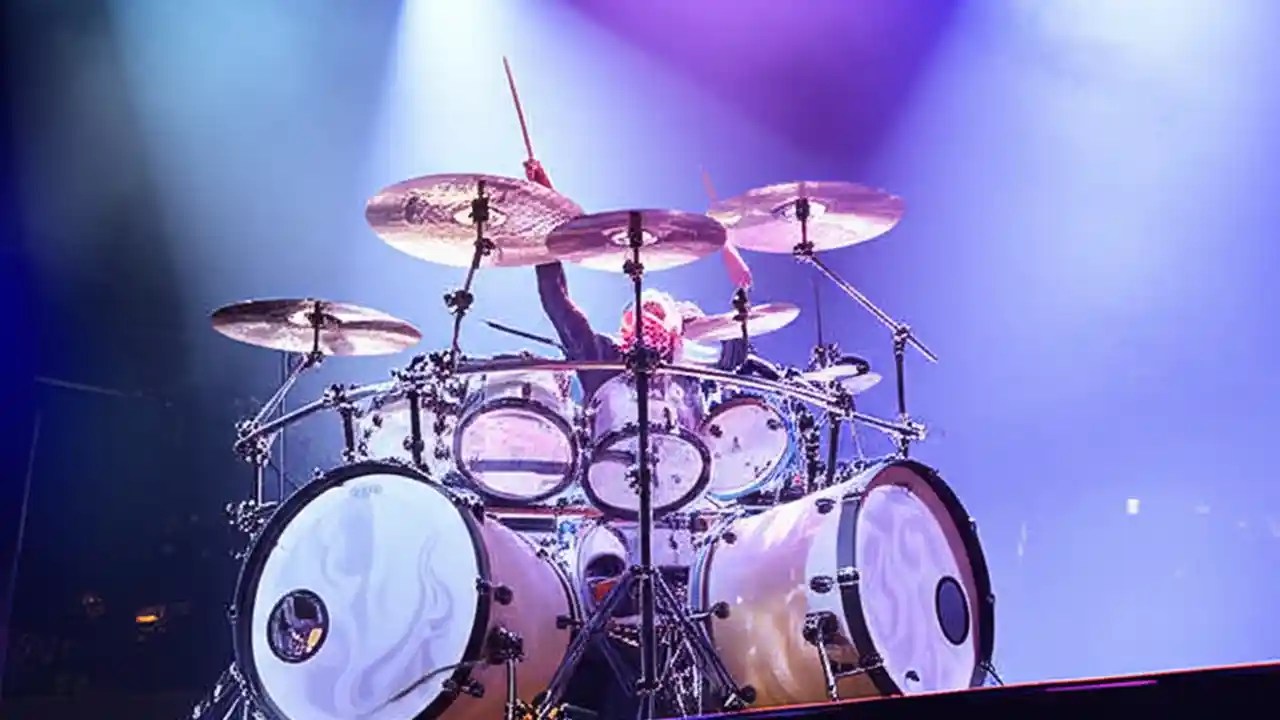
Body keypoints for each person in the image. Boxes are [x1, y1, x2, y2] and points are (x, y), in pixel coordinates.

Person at [522, 158, 751, 719]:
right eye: (639, 314)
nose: (646, 324)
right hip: (612, 541)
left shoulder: (696, 383)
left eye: (658, 317)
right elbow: (558, 303)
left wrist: (742, 285)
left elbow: (739, 347)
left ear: (676, 336)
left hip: (686, 539)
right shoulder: (598, 360)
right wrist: (545, 211)